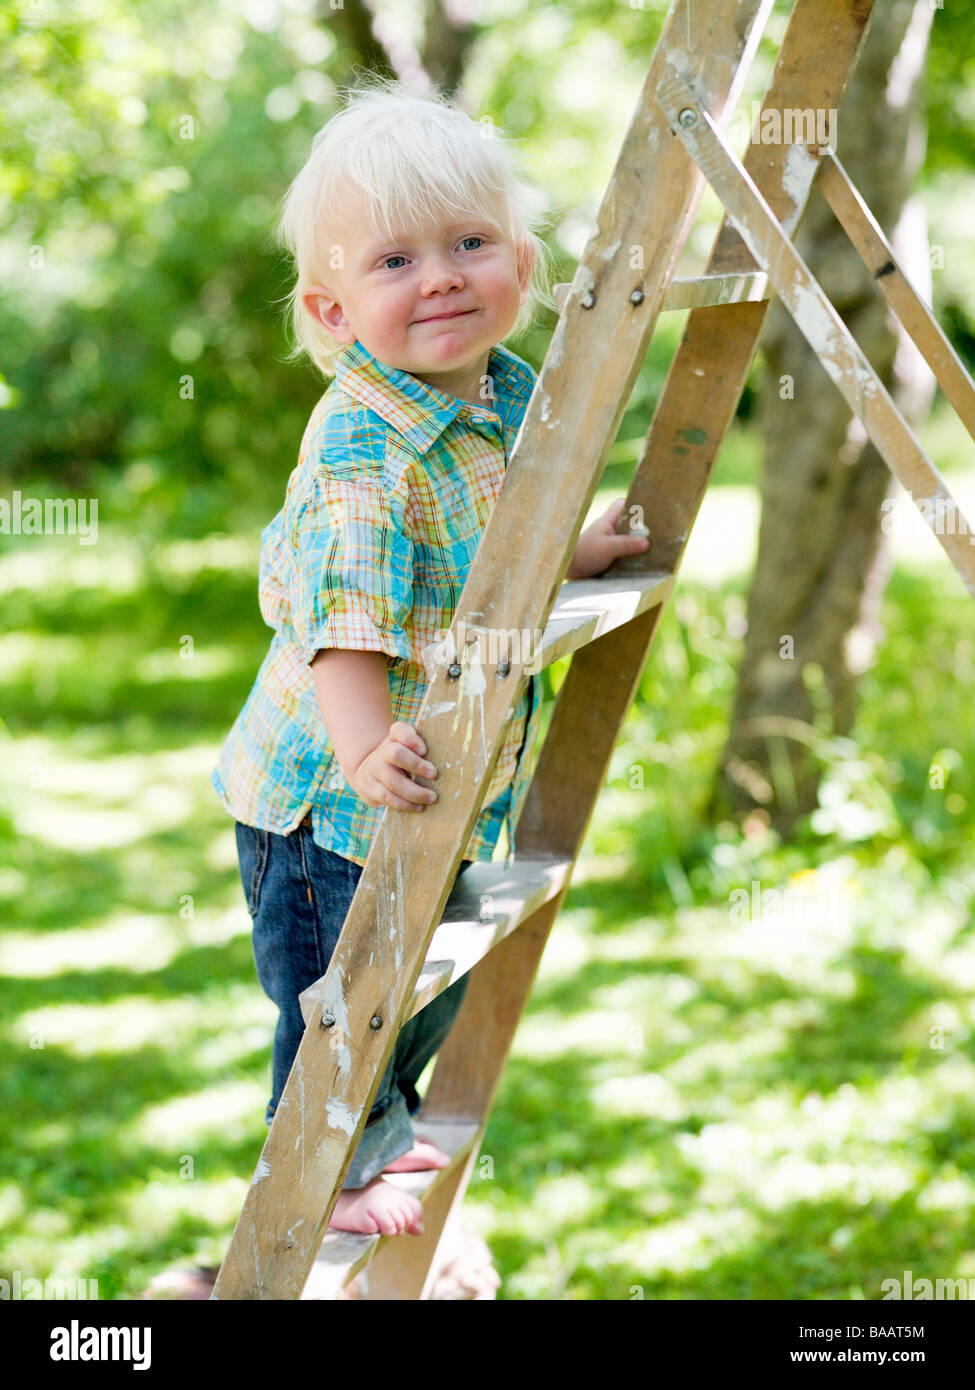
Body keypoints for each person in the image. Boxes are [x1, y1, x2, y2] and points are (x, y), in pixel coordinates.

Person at [212, 76, 649, 1240]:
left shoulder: (508, 395)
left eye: (467, 243)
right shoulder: (367, 445)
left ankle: (381, 1125)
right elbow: (337, 623)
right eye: (395, 263)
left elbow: (498, 547)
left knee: (421, 978)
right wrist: (362, 750)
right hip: (330, 802)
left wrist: (577, 548)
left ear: (519, 256)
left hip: (441, 776)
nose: (442, 275)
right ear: (335, 310)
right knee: (340, 994)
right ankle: (329, 1163)